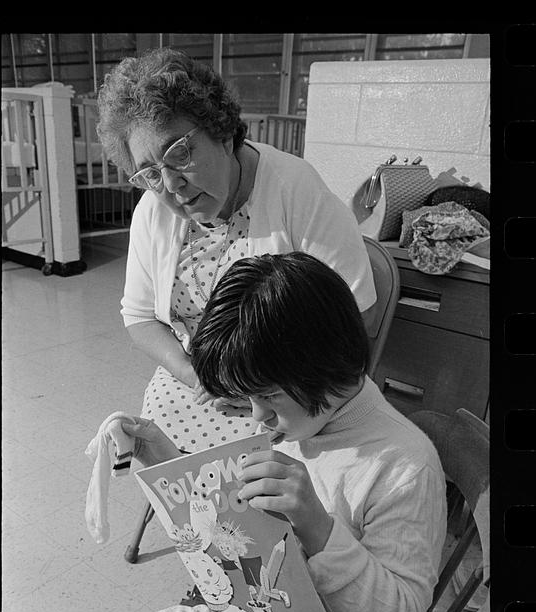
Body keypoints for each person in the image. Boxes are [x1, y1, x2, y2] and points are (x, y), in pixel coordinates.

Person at [13, 252, 446, 612]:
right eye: (249, 400)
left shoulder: (402, 465)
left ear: (321, 364)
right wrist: (168, 462)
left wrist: (318, 529)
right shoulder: (303, 418)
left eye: (266, 398)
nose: (257, 418)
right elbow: (238, 531)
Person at [96, 47, 377, 452]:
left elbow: (355, 314)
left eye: (180, 153)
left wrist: (264, 389)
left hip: (285, 396)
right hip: (196, 383)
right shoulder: (154, 211)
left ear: (222, 131)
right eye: (151, 173)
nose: (171, 185)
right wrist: (197, 376)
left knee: (240, 494)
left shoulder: (295, 188)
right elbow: (139, 318)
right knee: (158, 454)